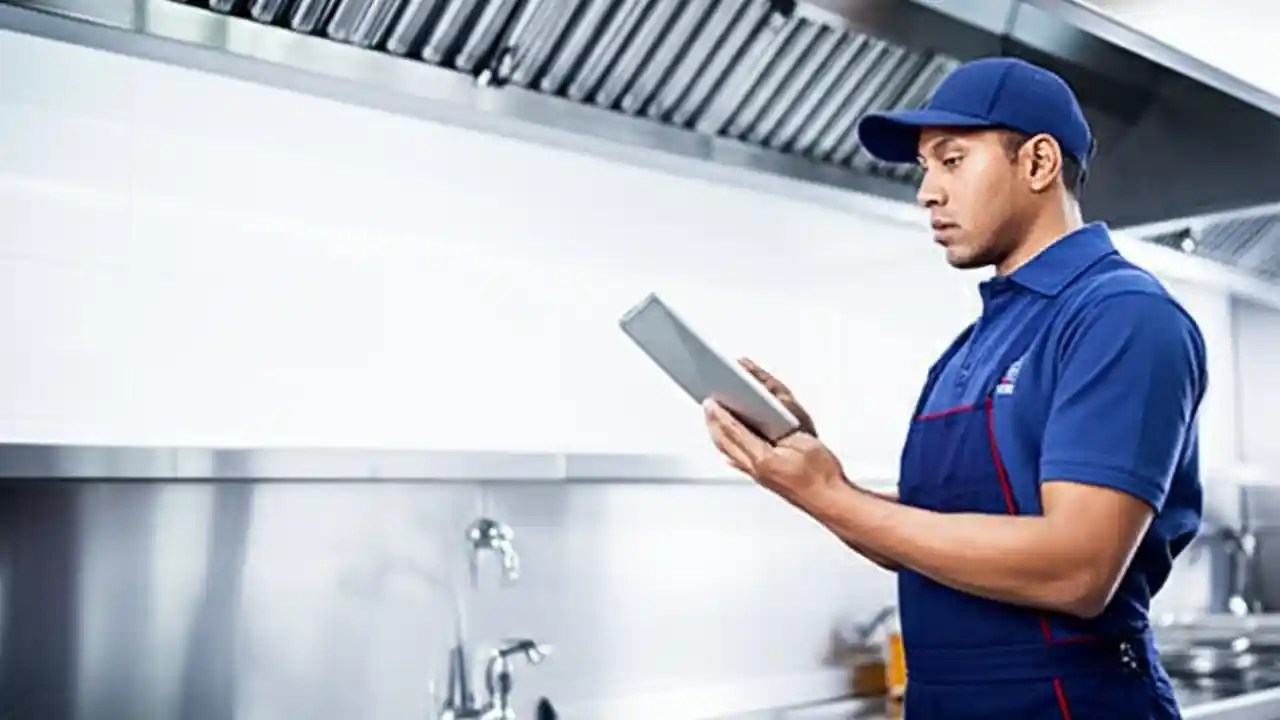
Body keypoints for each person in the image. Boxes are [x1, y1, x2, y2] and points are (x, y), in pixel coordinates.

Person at [703, 56, 1207, 719]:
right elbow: (932, 538)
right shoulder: (970, 347)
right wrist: (813, 474)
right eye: (924, 168)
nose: (926, 192)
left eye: (952, 160)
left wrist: (828, 495)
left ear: (1038, 163)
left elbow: (1077, 569)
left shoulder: (1123, 316)